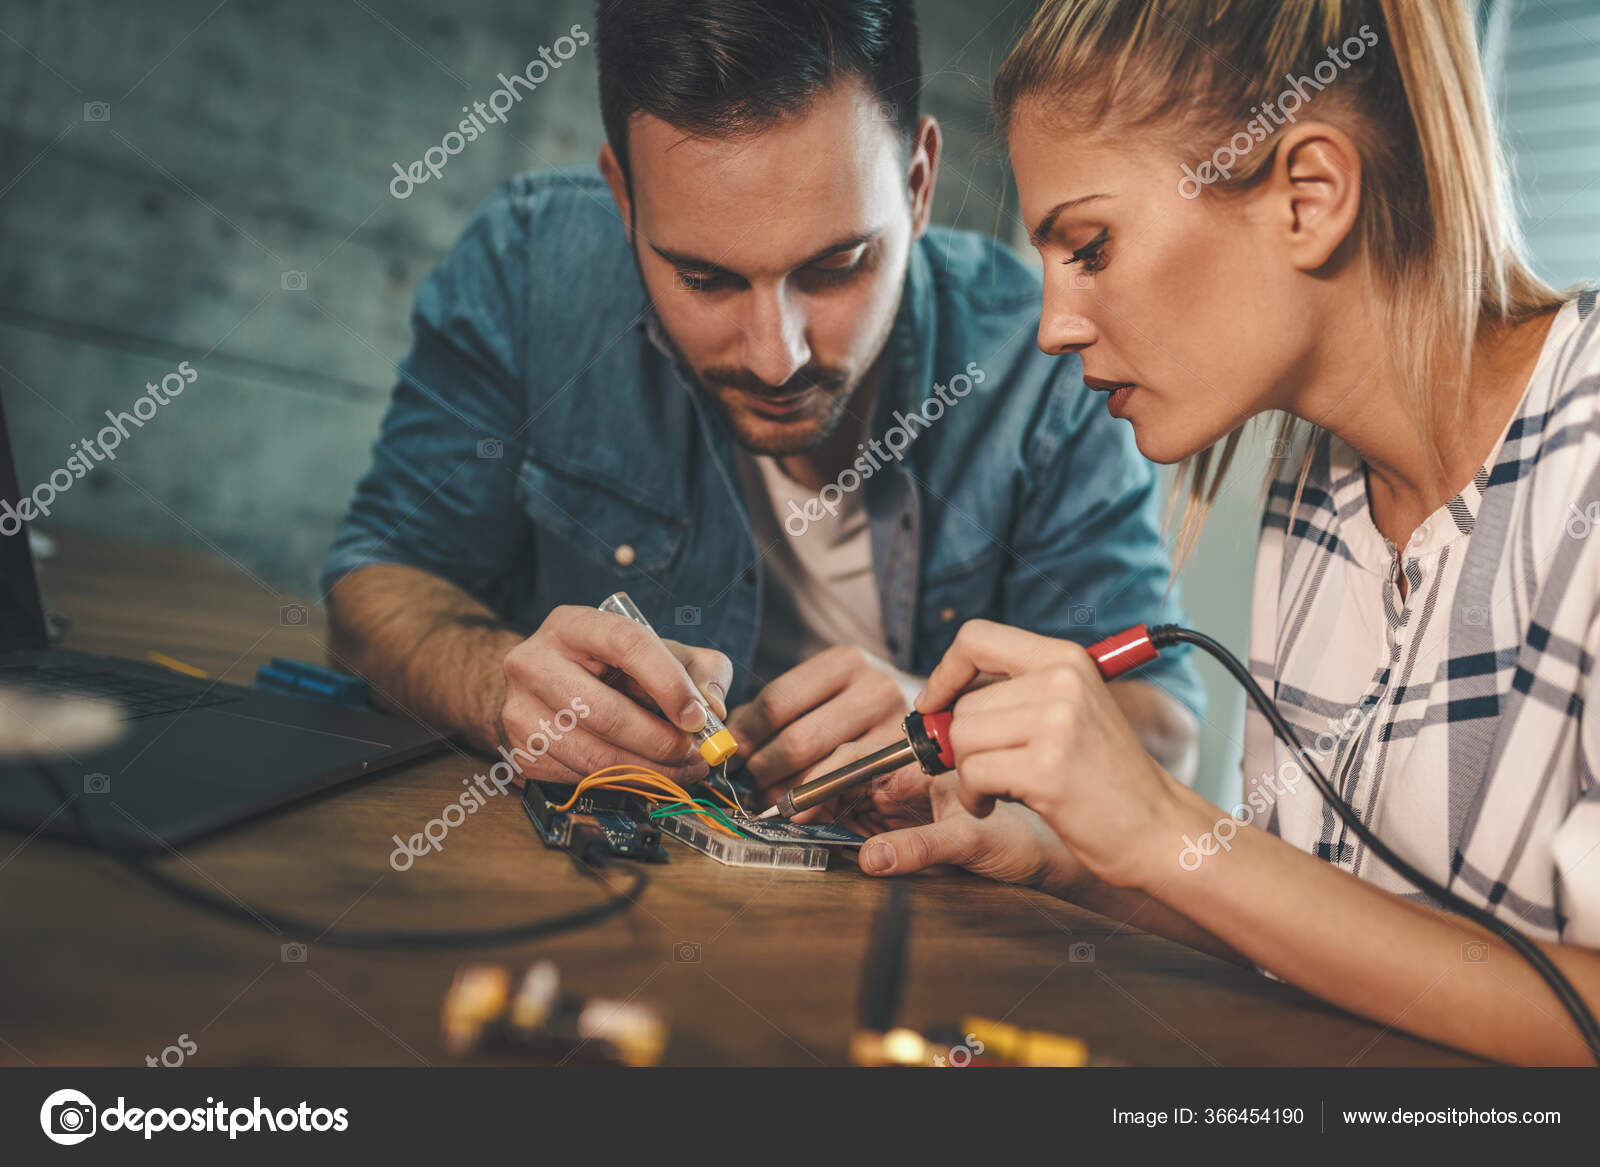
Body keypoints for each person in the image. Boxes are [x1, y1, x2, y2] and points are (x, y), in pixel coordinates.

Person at [857, 0, 1600, 1065]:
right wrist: (1076, 862)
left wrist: (1162, 826)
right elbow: (1345, 941)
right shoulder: (1314, 487)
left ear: (1309, 196)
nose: (1052, 324)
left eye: (1091, 245)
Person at [321, 0, 1203, 804]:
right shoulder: (531, 269)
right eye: (703, 277)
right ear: (624, 199)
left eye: (833, 267)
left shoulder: (1042, 364)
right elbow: (377, 582)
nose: (775, 358)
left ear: (920, 185)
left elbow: (1163, 730)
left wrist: (958, 734)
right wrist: (495, 685)